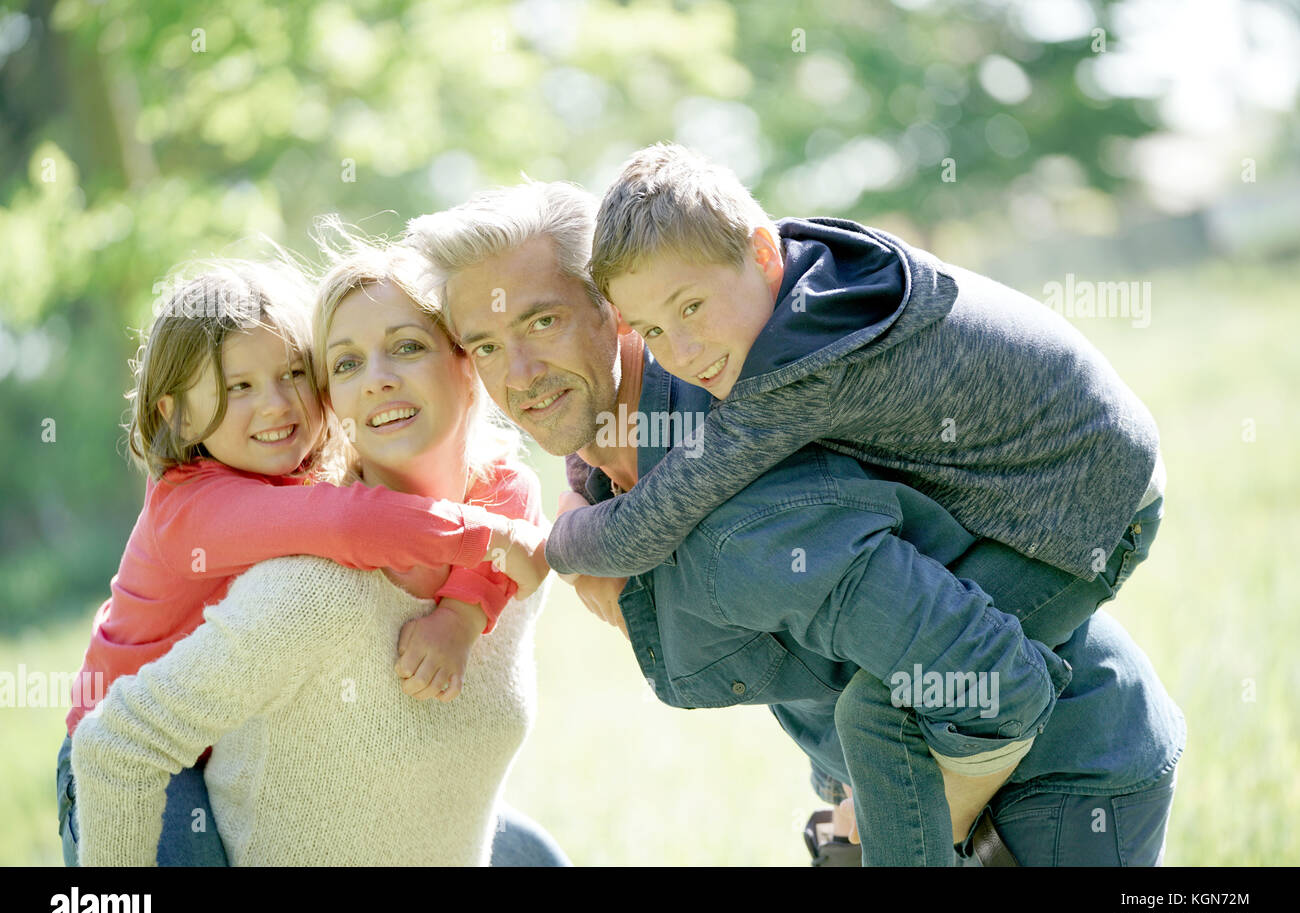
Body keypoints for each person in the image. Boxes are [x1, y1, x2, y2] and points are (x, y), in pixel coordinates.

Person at [407, 180, 1182, 865]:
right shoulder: (662, 413)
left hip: (1052, 785)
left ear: (615, 311)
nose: (519, 374)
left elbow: (989, 680)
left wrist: (902, 825)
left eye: (542, 323)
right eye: (486, 344)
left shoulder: (739, 495)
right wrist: (582, 502)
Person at [66, 239, 567, 866]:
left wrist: (465, 610)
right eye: (238, 386)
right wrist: (484, 538)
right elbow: (351, 522)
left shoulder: (294, 469)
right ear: (179, 417)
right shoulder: (200, 510)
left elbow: (511, 488)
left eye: (294, 375)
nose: (276, 404)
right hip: (142, 746)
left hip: (216, 729)